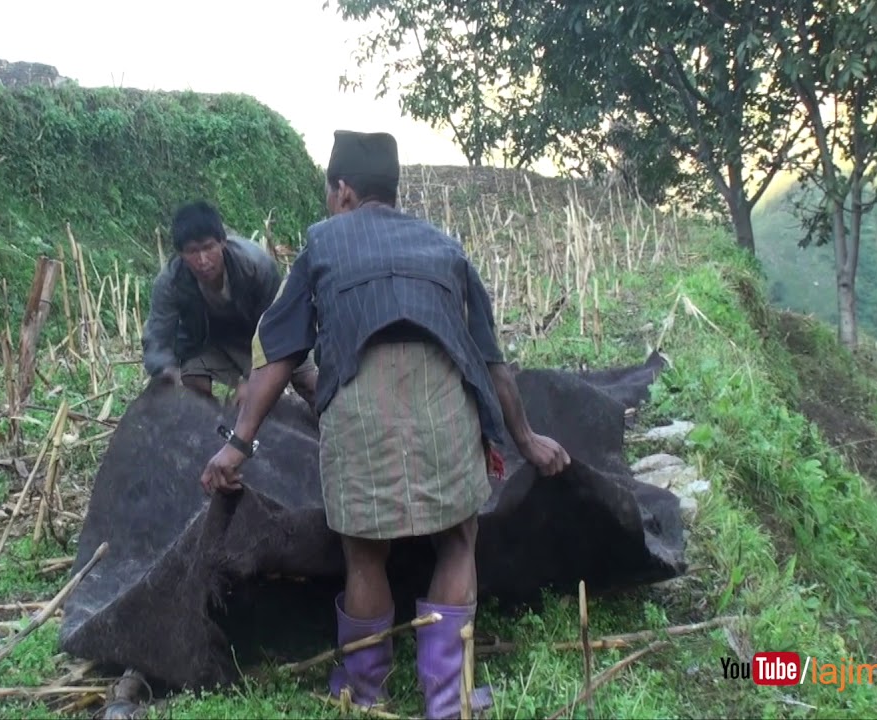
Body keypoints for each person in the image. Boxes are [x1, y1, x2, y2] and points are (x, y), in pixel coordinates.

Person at [198, 130, 571, 719]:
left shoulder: (322, 242)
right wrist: (525, 438)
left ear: (343, 191)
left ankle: (364, 690)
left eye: (329, 191)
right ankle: (448, 700)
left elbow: (280, 353)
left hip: (359, 406)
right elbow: (491, 359)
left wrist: (239, 445)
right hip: (446, 400)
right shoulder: (444, 246)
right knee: (457, 541)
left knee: (365, 556)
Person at [141, 200, 318, 410]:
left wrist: (252, 378)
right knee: (192, 385)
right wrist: (167, 373)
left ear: (222, 242)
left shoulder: (256, 267)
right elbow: (157, 338)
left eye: (208, 247)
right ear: (180, 253)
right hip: (209, 343)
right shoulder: (170, 282)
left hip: (262, 339)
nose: (203, 260)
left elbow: (277, 329)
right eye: (193, 251)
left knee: (311, 383)